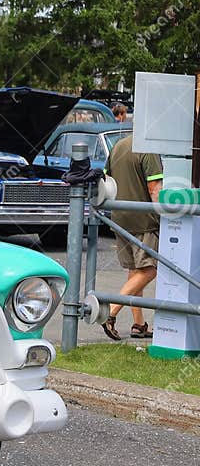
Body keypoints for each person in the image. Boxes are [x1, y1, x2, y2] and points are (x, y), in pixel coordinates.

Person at [100, 136, 163, 340]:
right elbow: (155, 190)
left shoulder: (118, 145)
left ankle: (138, 324)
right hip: (144, 220)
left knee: (135, 271)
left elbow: (106, 181)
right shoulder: (149, 149)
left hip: (120, 216)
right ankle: (110, 311)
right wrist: (166, 216)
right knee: (149, 270)